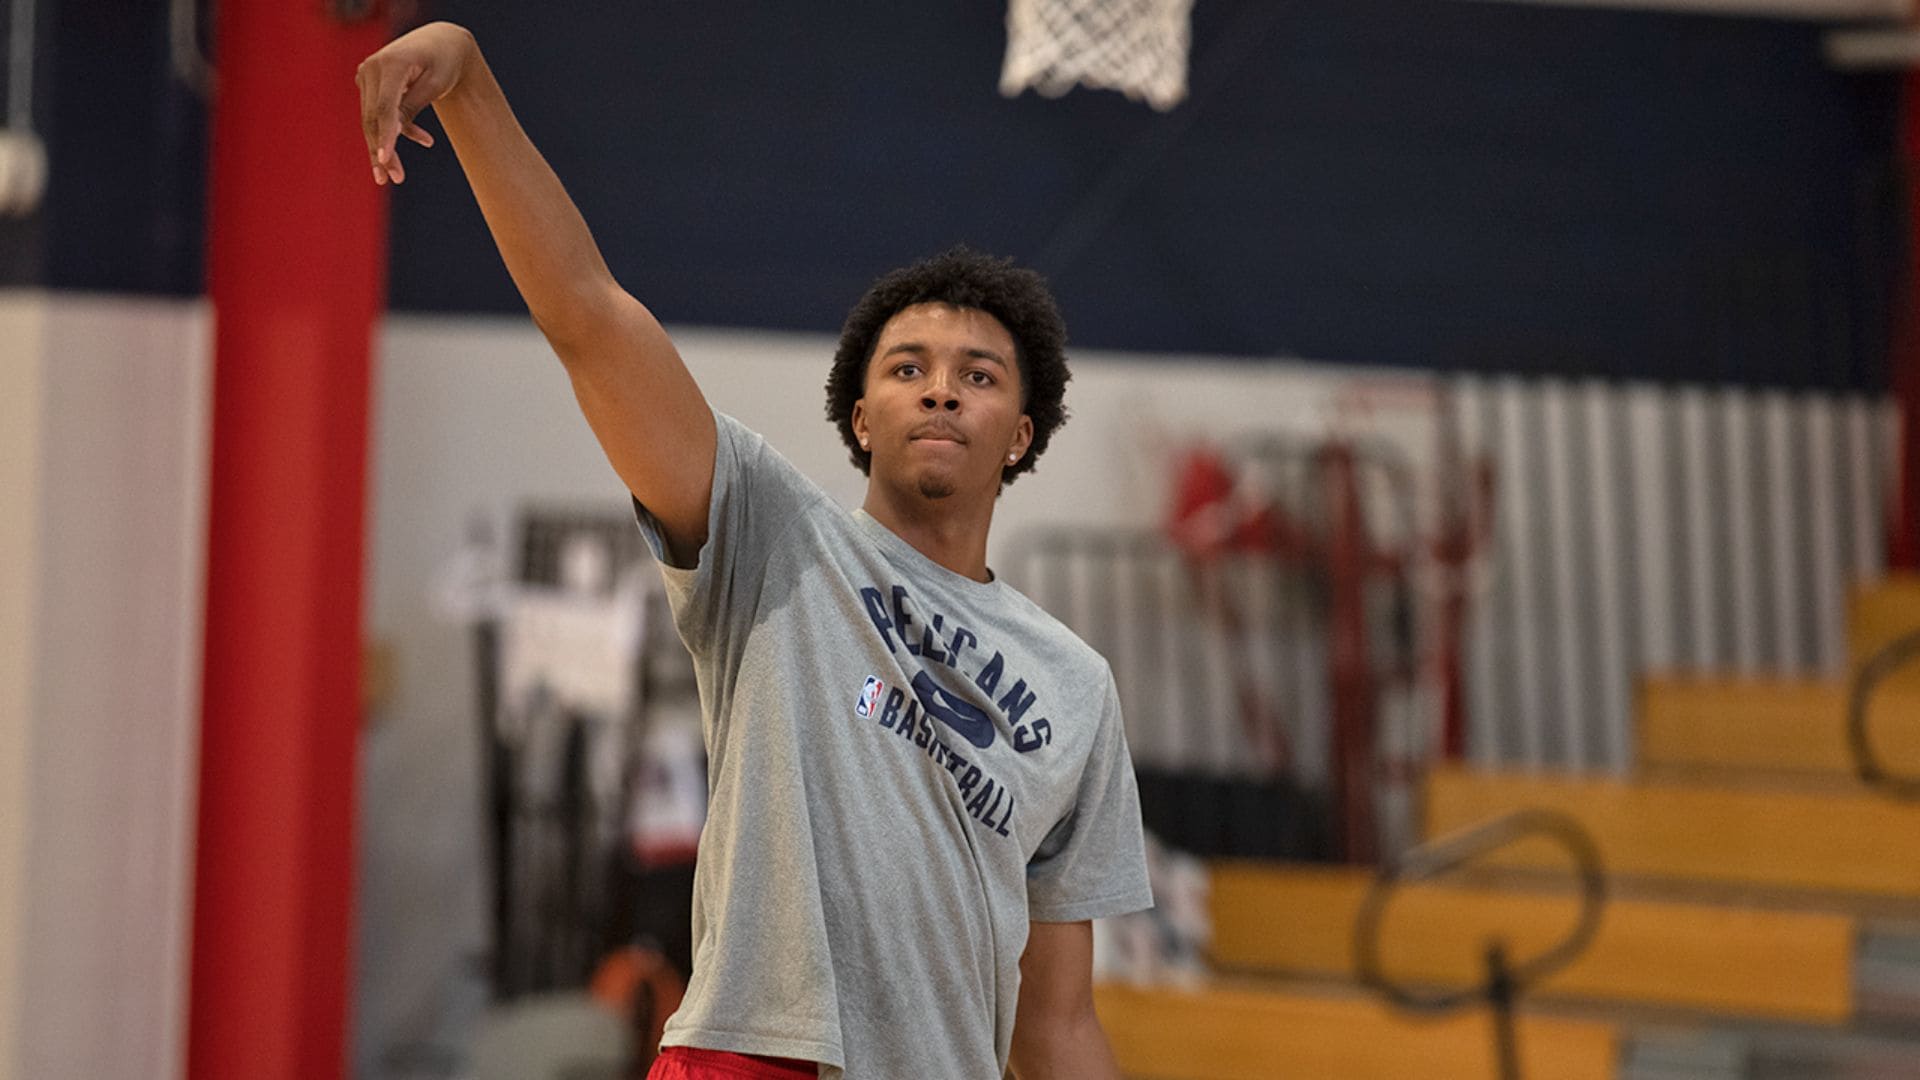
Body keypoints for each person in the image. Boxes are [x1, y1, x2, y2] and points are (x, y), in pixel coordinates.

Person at [357, 22, 1153, 1080]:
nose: (941, 386)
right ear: (860, 416)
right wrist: (469, 81)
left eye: (979, 373)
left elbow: (1056, 1024)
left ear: (1022, 433)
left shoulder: (1077, 688)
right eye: (907, 365)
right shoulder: (773, 537)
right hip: (754, 1058)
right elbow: (589, 317)